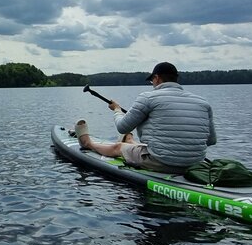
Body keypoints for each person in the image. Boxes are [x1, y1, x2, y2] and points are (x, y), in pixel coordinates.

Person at [76, 61, 216, 173]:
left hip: (164, 163)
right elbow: (211, 141)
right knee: (148, 147)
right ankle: (130, 141)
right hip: (196, 164)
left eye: (152, 81)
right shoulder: (203, 102)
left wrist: (117, 110)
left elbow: (122, 127)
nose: (152, 84)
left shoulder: (148, 97)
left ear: (157, 78)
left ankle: (87, 143)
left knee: (118, 147)